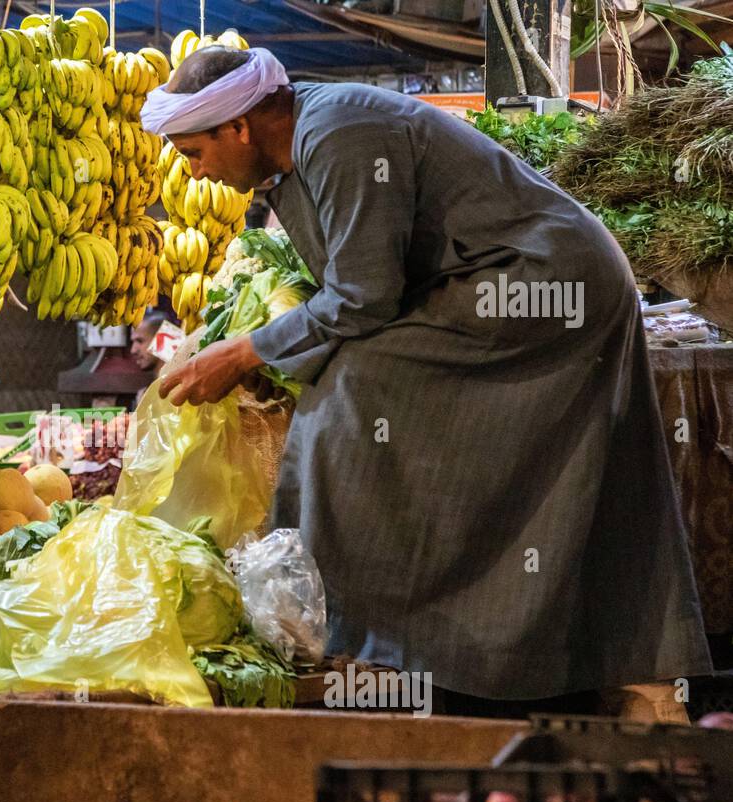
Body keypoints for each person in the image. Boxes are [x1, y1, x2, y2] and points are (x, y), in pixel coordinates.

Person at [143, 47, 710, 720]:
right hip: (502, 283)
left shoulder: (338, 132)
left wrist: (244, 353)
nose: (194, 171)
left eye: (192, 152)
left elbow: (363, 298)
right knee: (367, 397)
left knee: (351, 400)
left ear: (238, 126)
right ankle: (429, 644)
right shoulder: (299, 152)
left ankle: (362, 639)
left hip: (544, 284)